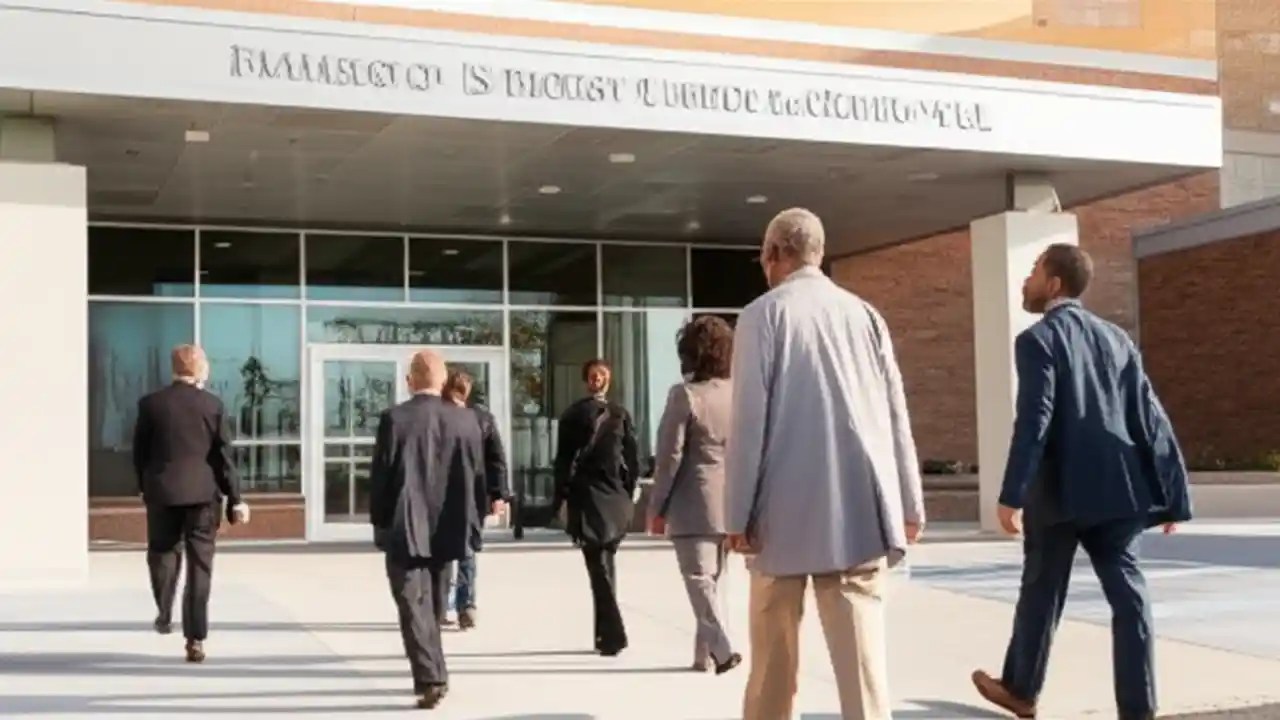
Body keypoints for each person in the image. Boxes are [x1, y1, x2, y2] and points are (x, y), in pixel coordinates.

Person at [971, 244, 1192, 720]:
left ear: (1053, 284)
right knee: (1129, 598)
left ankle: (1021, 690)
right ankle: (1139, 709)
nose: (1024, 281)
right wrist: (1171, 495)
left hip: (1060, 495)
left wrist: (1011, 494)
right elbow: (1149, 414)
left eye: (1032, 271)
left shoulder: (1037, 340)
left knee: (1041, 591)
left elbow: (1035, 419)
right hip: (1119, 492)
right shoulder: (1117, 339)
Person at [725, 208, 926, 720]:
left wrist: (736, 516)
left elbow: (749, 421)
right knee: (863, 668)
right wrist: (908, 501)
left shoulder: (762, 315)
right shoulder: (865, 315)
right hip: (859, 510)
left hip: (779, 514)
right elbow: (894, 411)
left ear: (775, 254)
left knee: (773, 665)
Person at [370, 350, 485, 711]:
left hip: (406, 525)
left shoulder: (395, 419)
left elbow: (382, 477)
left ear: (410, 380)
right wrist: (474, 524)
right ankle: (437, 671)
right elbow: (476, 478)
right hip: (448, 525)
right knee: (432, 603)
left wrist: (379, 523)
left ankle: (430, 677)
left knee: (412, 603)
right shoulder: (467, 420)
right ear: (443, 379)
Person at [132, 344, 249, 664]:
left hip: (162, 494)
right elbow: (223, 458)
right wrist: (236, 499)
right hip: (202, 497)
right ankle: (194, 638)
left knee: (162, 554)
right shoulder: (212, 406)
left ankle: (165, 610)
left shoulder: (151, 404)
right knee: (200, 567)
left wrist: (144, 487)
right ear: (199, 369)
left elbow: (139, 453)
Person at [647, 316, 741, 675]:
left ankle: (722, 648)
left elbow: (669, 458)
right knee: (715, 580)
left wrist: (657, 506)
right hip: (730, 500)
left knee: (698, 579)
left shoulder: (684, 395)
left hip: (693, 500)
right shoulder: (737, 393)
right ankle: (703, 656)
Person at [552, 358, 640, 657]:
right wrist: (562, 496)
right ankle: (607, 635)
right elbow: (563, 460)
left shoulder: (619, 415)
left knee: (601, 565)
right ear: (586, 380)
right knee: (601, 565)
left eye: (602, 375)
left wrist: (627, 494)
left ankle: (609, 634)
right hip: (591, 497)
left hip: (606, 497)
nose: (597, 380)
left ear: (609, 379)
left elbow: (632, 458)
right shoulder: (576, 415)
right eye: (593, 375)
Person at [442, 369, 510, 631]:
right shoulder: (480, 418)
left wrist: (498, 493)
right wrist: (498, 494)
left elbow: (495, 458)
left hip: (454, 493)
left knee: (445, 550)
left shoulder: (472, 419)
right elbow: (497, 460)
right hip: (472, 494)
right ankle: (465, 603)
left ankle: (449, 604)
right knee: (467, 549)